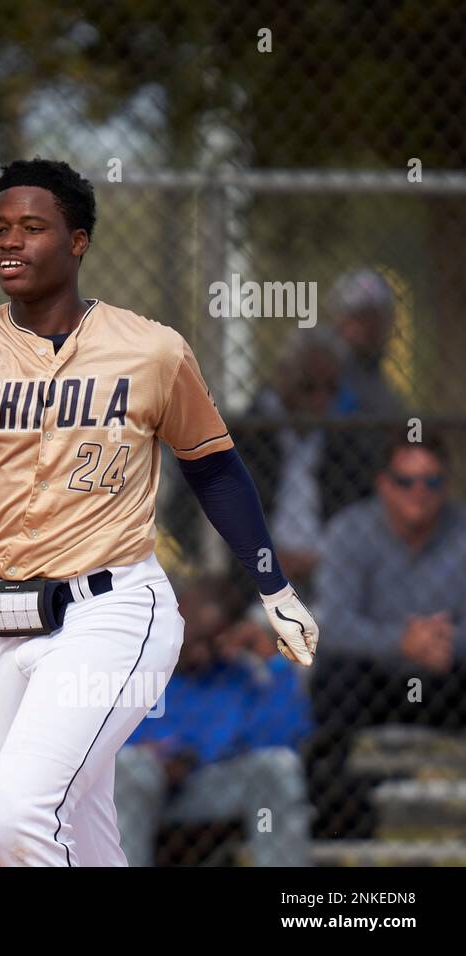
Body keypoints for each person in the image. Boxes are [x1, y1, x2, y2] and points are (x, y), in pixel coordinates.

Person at [0, 158, 319, 866]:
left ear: (79, 241)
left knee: (18, 815)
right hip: (9, 627)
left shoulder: (150, 348)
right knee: (81, 838)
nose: (11, 242)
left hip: (114, 611)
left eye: (34, 227)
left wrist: (273, 588)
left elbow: (214, 468)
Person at [309, 433, 466, 837]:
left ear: (445, 486)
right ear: (383, 484)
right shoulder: (349, 531)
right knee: (333, 673)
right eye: (405, 481)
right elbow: (335, 626)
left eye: (431, 482)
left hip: (446, 678)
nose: (419, 492)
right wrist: (401, 641)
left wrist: (447, 644)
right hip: (373, 683)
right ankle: (339, 818)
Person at [116, 577, 313, 866]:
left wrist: (272, 659)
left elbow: (285, 738)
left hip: (212, 783)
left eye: (212, 641)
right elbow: (105, 739)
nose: (200, 653)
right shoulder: (136, 670)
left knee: (279, 767)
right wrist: (161, 755)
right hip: (147, 786)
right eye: (194, 639)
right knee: (130, 767)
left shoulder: (240, 675)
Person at [238, 331, 375, 590]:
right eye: (309, 387)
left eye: (331, 389)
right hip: (253, 571)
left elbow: (360, 514)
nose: (320, 400)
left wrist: (323, 557)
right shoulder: (248, 436)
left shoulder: (344, 444)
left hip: (329, 569)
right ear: (282, 376)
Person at [328, 269, 403, 418]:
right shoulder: (329, 369)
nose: (372, 328)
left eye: (378, 318)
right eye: (363, 318)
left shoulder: (374, 372)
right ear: (340, 320)